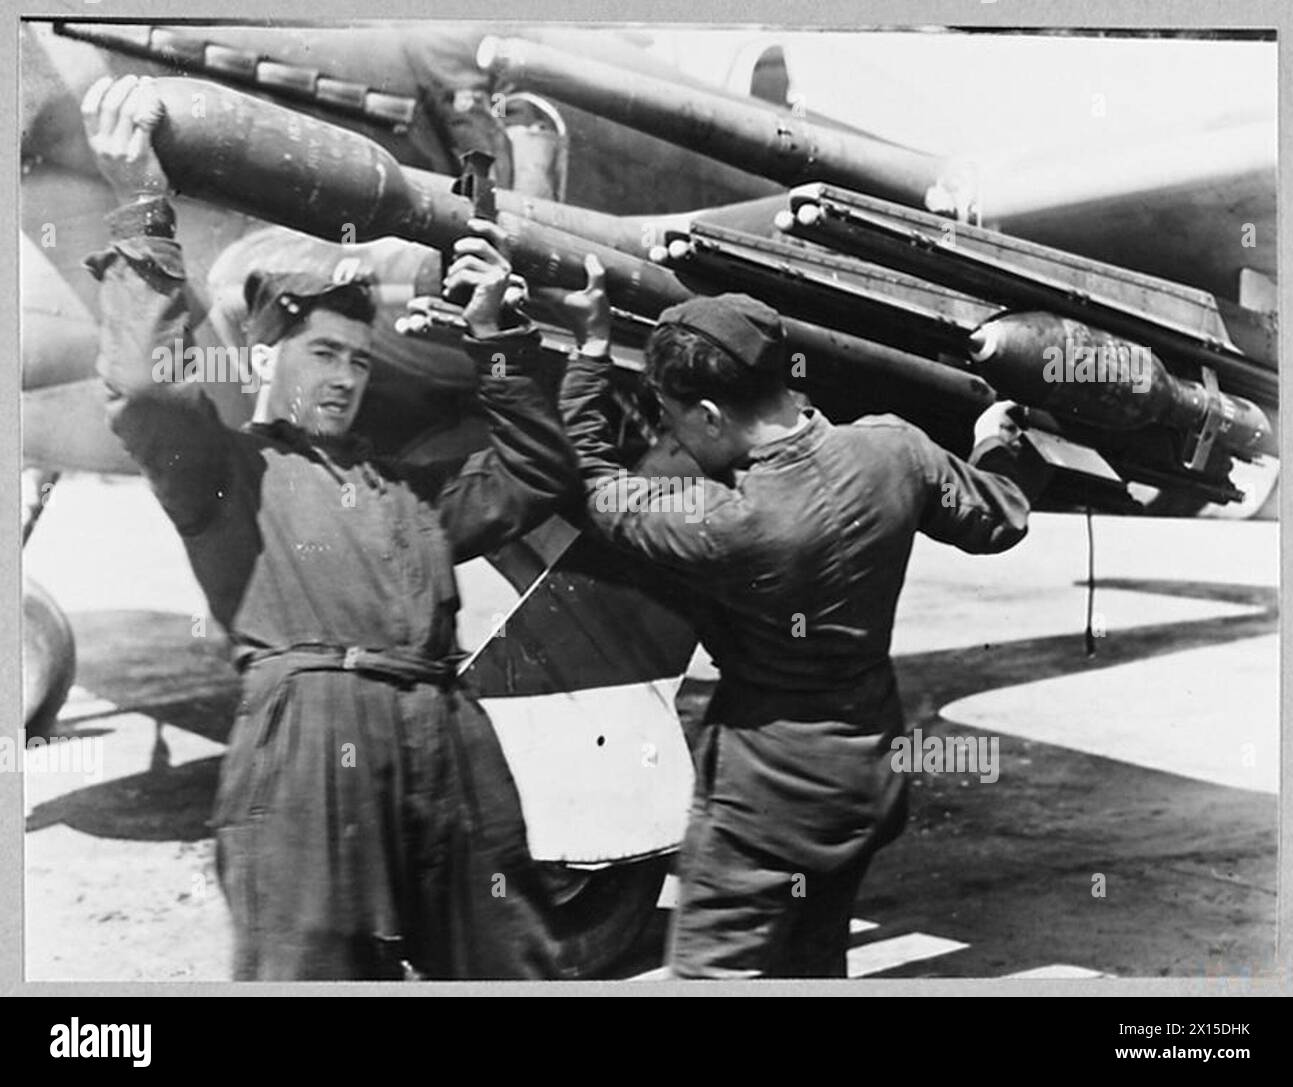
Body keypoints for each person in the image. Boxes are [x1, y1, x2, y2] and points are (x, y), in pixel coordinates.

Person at [81, 74, 576, 980]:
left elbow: (535, 475)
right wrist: (143, 211)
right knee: (309, 970)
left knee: (516, 961)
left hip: (446, 729)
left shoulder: (405, 490)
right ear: (267, 355)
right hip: (308, 747)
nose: (346, 376)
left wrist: (497, 336)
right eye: (322, 353)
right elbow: (150, 389)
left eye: (358, 357)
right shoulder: (229, 477)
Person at [559, 261, 1047, 978]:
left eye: (672, 417)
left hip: (764, 805)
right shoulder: (894, 449)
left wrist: (589, 351)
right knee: (815, 967)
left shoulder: (724, 523)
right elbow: (1000, 514)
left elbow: (596, 484)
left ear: (711, 415)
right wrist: (993, 439)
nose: (674, 433)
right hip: (861, 784)